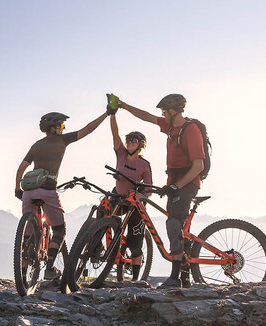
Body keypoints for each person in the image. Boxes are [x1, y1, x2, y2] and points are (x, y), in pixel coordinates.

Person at [114, 93, 205, 288]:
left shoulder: (191, 130)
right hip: (173, 183)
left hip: (187, 183)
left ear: (173, 111)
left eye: (164, 112)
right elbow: (146, 116)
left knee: (173, 223)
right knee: (177, 225)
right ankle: (185, 274)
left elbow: (198, 166)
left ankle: (174, 278)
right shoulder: (171, 127)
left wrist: (177, 186)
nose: (162, 115)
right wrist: (123, 105)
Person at [15, 109, 108, 279]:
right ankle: (50, 269)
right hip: (48, 190)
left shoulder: (36, 145)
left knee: (27, 234)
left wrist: (17, 190)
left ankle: (21, 274)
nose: (63, 129)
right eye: (61, 125)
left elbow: (21, 168)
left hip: (28, 192)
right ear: (53, 128)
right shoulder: (62, 140)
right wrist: (106, 114)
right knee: (59, 230)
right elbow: (88, 129)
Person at [108, 110, 153, 281]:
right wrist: (112, 116)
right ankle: (96, 246)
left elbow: (148, 189)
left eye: (133, 141)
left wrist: (141, 197)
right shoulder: (121, 154)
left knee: (135, 240)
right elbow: (115, 135)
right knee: (100, 211)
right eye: (128, 141)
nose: (128, 143)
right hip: (118, 197)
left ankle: (135, 278)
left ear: (141, 145)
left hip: (136, 203)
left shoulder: (144, 165)